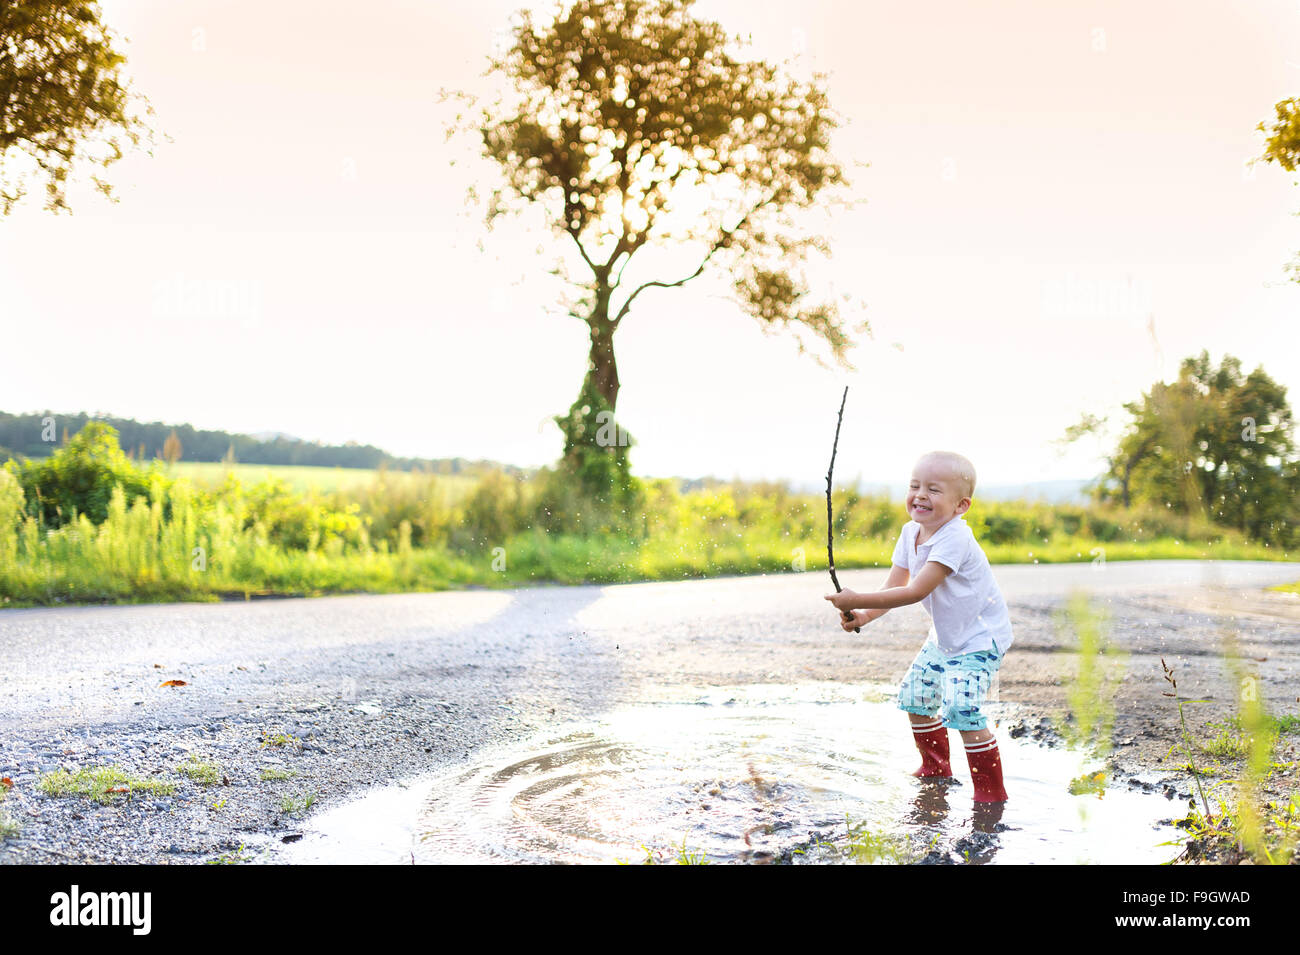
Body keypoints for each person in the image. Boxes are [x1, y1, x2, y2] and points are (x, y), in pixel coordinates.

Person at [824, 450, 1013, 803]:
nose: (921, 494)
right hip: (944, 638)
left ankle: (990, 791)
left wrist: (854, 598)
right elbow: (895, 584)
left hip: (978, 639)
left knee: (962, 709)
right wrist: (863, 614)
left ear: (961, 506)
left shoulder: (955, 537)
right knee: (916, 696)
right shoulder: (911, 532)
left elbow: (915, 592)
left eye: (934, 489)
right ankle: (936, 767)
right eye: (915, 486)